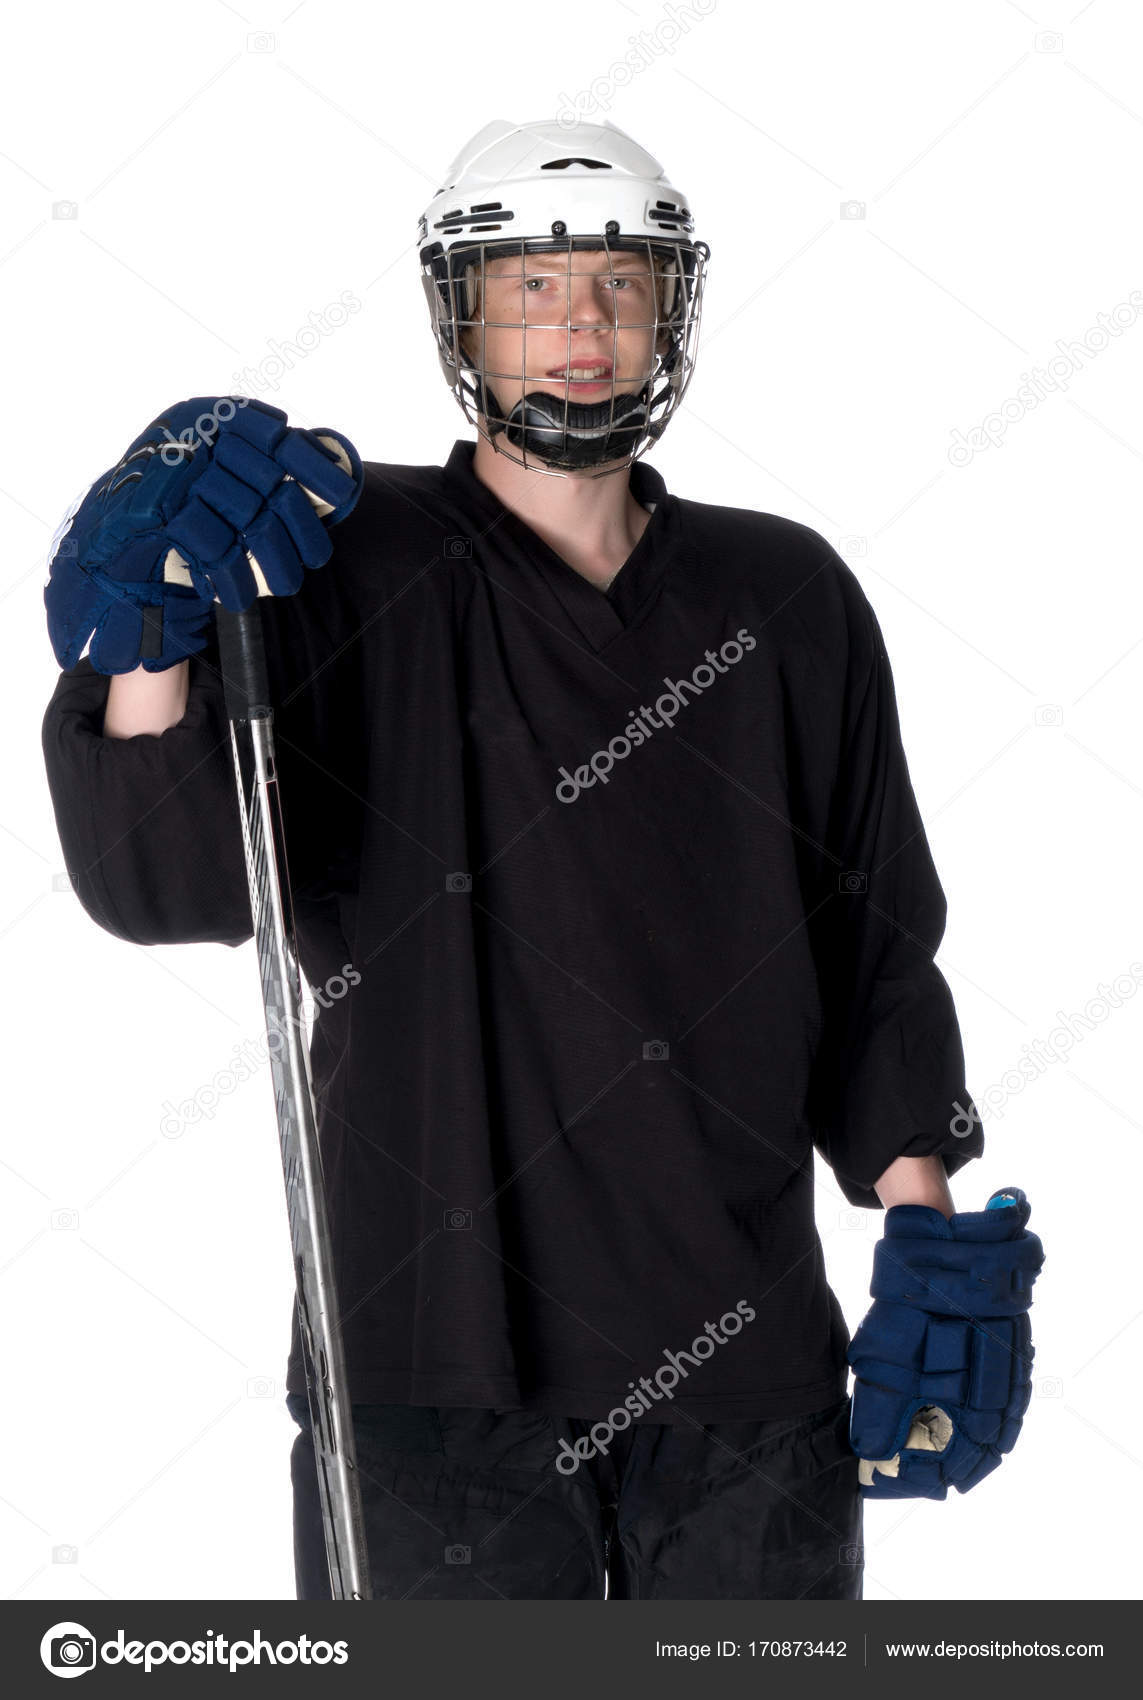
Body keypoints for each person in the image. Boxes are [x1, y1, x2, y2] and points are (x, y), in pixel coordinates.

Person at [40, 117, 1041, 1601]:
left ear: (669, 312)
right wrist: (156, 619)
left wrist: (926, 1233)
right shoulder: (327, 563)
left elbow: (870, 949)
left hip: (745, 1381)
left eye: (620, 284)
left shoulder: (785, 593)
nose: (580, 325)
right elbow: (166, 887)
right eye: (531, 286)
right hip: (429, 1376)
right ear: (462, 315)